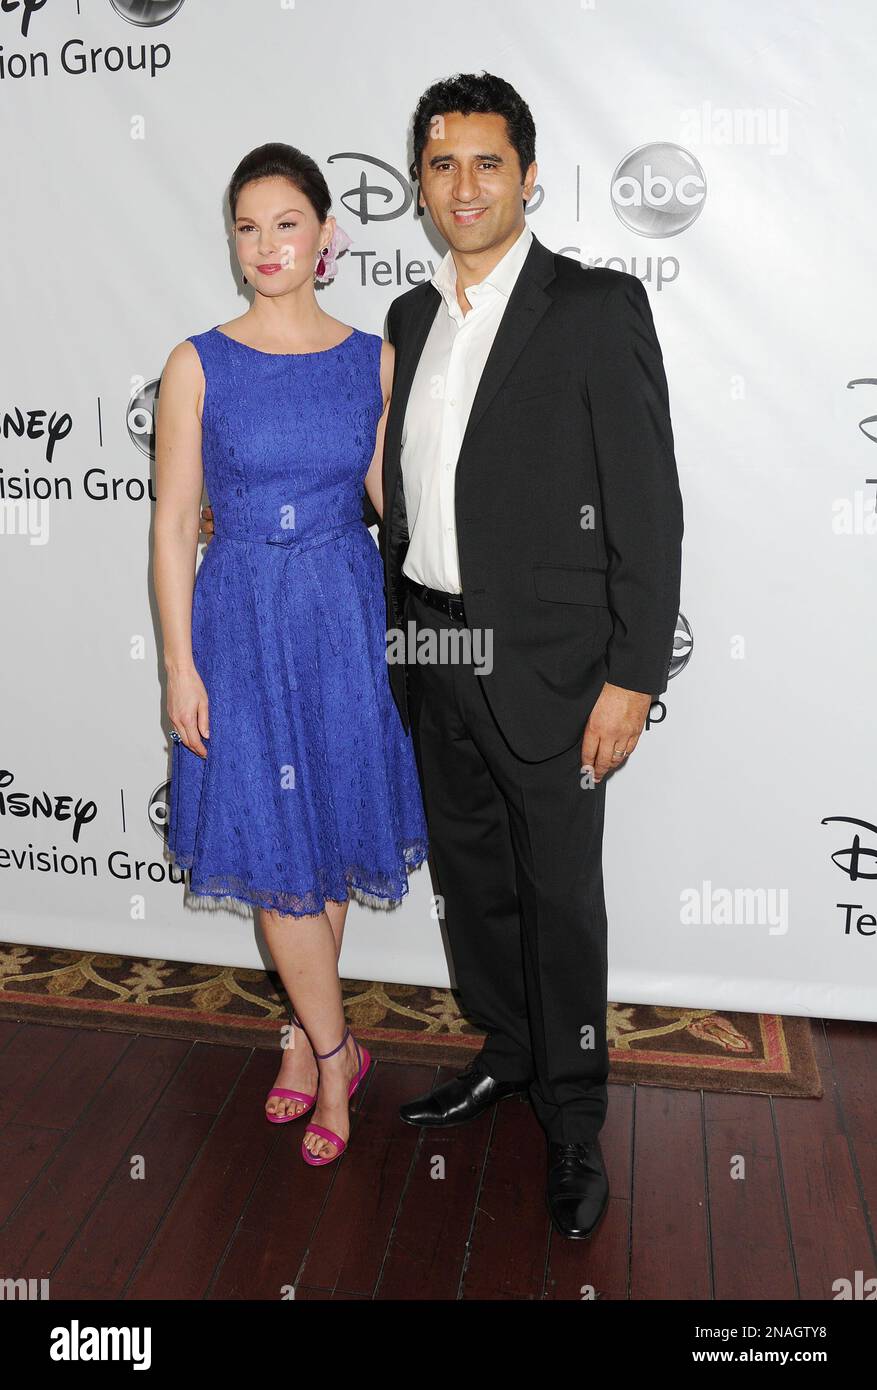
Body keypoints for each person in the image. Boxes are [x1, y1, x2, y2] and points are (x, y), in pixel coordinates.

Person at [380, 73, 684, 1239]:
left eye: (486, 163)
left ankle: (572, 1120)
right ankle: (504, 1054)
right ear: (419, 181)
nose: (464, 184)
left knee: (561, 900)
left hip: (555, 666)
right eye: (443, 163)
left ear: (528, 176)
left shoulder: (594, 308)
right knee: (474, 884)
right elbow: (406, 485)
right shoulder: (412, 318)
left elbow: (646, 506)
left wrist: (634, 673)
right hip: (434, 638)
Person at [154, 142, 428, 1167]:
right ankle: (335, 1047)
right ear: (232, 241)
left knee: (328, 837)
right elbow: (177, 522)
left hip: (341, 615)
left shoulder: (373, 360)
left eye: (284, 222)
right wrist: (181, 665)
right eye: (245, 225)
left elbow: (392, 514)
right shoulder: (197, 361)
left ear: (325, 235)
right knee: (277, 864)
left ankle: (304, 1044)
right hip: (238, 620)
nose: (265, 244)